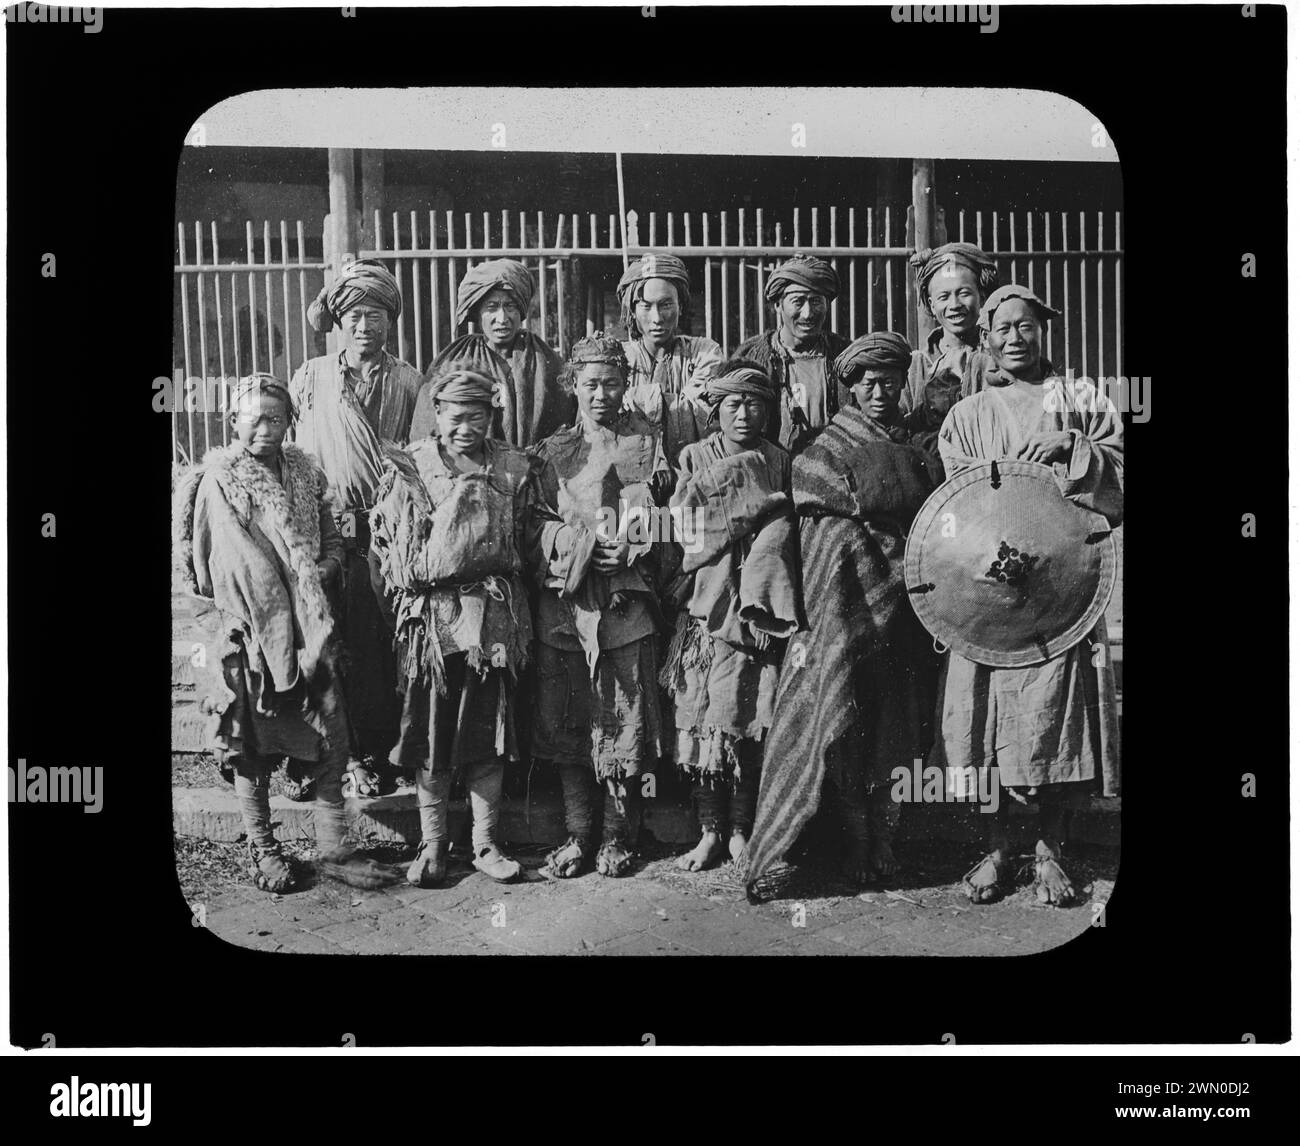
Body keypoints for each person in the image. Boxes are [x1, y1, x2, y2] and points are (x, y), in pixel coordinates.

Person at [935, 285, 1123, 906]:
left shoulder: (1081, 400)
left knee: (1057, 715)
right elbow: (957, 505)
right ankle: (995, 849)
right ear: (985, 339)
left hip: (1063, 586)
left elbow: (1120, 473)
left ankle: (1049, 850)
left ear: (1044, 332)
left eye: (1027, 326)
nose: (1015, 337)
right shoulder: (967, 416)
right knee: (984, 712)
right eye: (1003, 328)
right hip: (987, 592)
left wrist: (1076, 447)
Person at [173, 374, 392, 893]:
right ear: (234, 422)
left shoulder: (304, 472)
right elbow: (233, 564)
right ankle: (265, 849)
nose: (265, 430)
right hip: (250, 631)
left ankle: (335, 848)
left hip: (310, 628)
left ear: (290, 422)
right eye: (254, 419)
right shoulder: (220, 481)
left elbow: (331, 536)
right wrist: (284, 603)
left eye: (275, 418)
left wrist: (326, 567)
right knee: (252, 748)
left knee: (332, 737)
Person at [745, 332, 943, 895]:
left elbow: (934, 501)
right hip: (841, 616)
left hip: (904, 615)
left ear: (903, 385)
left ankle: (885, 837)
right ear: (851, 387)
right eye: (869, 383)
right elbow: (821, 503)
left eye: (890, 383)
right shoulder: (821, 448)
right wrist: (889, 492)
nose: (880, 392)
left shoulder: (917, 443)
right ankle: (857, 840)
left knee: (896, 728)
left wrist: (888, 490)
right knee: (846, 726)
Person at [369, 370, 535, 886]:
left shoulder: (513, 468)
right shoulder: (411, 467)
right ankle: (434, 845)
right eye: (456, 417)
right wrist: (406, 613)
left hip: (492, 621)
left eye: (477, 416)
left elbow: (530, 538)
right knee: (433, 737)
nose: (466, 428)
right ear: (437, 415)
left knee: (489, 734)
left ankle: (485, 844)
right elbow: (385, 552)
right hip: (433, 625)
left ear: (492, 416)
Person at [527, 334, 672, 878]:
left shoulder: (647, 443)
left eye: (612, 383)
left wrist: (633, 544)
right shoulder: (552, 452)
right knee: (569, 720)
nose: (601, 394)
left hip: (625, 605)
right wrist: (574, 544)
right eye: (590, 384)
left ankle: (616, 835)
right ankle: (577, 833)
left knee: (624, 716)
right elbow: (532, 524)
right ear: (573, 387)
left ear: (626, 384)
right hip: (566, 607)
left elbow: (671, 513)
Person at [291, 259, 423, 795]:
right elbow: (294, 457)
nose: (364, 326)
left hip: (384, 535)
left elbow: (417, 460)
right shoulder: (311, 377)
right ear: (340, 321)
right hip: (325, 533)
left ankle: (371, 752)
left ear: (391, 319)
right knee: (322, 642)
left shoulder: (409, 381)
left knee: (374, 647)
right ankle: (318, 757)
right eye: (353, 316)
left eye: (375, 315)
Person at [661, 364, 800, 872]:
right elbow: (687, 524)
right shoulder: (694, 457)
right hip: (707, 612)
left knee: (747, 724)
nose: (744, 414)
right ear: (716, 410)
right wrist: (749, 507)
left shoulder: (780, 461)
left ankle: (741, 830)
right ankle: (710, 831)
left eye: (754, 403)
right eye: (733, 404)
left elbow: (789, 528)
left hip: (758, 617)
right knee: (703, 725)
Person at [409, 259, 571, 448]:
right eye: (492, 307)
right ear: (478, 312)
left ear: (521, 310)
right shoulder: (457, 359)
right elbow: (429, 431)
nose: (502, 319)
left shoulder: (544, 360)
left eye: (510, 306)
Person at [733, 254, 850, 455]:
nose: (808, 313)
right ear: (778, 305)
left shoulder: (844, 355)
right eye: (798, 301)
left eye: (816, 301)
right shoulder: (751, 356)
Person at [616, 252, 724, 464]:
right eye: (645, 306)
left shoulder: (704, 353)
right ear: (632, 311)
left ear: (680, 306)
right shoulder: (619, 359)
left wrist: (633, 403)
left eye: (666, 305)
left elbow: (704, 415)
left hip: (694, 468)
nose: (656, 318)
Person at [902, 242, 999, 449]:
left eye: (964, 293)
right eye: (943, 297)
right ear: (931, 305)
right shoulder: (915, 365)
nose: (954, 305)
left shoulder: (1002, 357)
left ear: (982, 297)